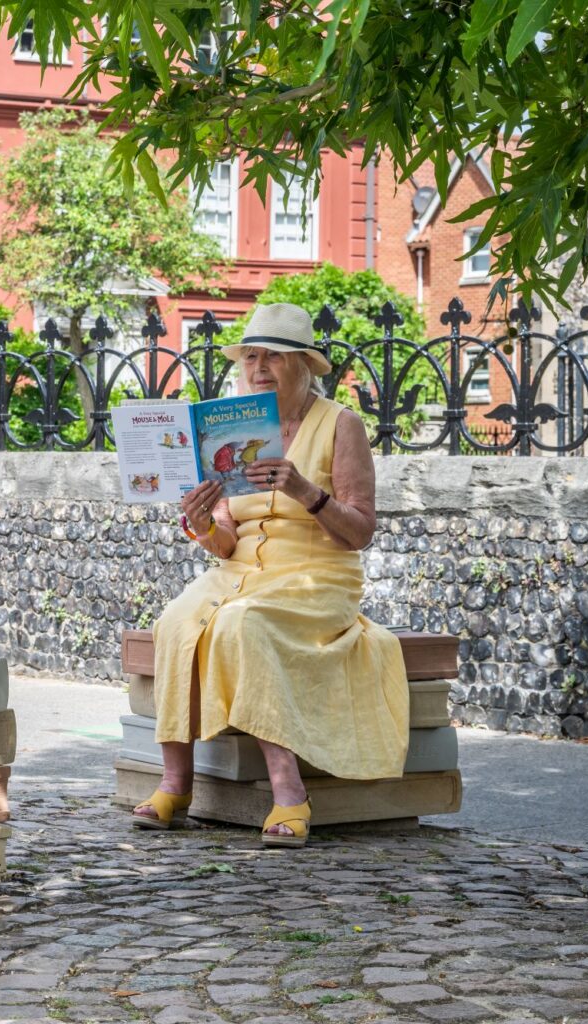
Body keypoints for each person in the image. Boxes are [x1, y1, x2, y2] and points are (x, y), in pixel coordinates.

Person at [136, 302, 409, 847]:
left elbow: (360, 531)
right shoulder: (231, 425)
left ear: (304, 364)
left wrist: (304, 489)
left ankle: (289, 792)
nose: (259, 367)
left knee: (242, 625)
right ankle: (175, 782)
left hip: (316, 577)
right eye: (251, 356)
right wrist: (199, 524)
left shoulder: (341, 424)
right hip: (237, 573)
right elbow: (224, 540)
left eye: (274, 357)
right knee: (173, 621)